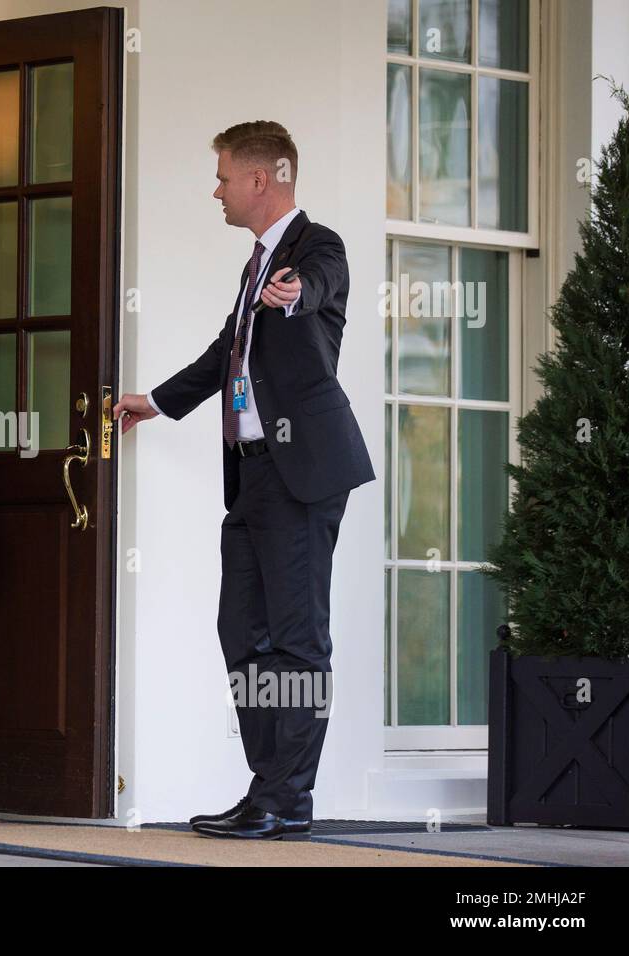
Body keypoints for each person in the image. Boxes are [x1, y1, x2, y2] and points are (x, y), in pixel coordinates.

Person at [114, 121, 375, 840]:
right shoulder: (254, 264)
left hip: (305, 470)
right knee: (241, 630)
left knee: (298, 640)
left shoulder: (314, 250)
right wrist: (157, 401)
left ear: (262, 180)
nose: (217, 190)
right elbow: (225, 351)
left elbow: (316, 289)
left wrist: (292, 292)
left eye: (225, 176)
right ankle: (272, 786)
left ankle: (288, 794)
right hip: (255, 473)